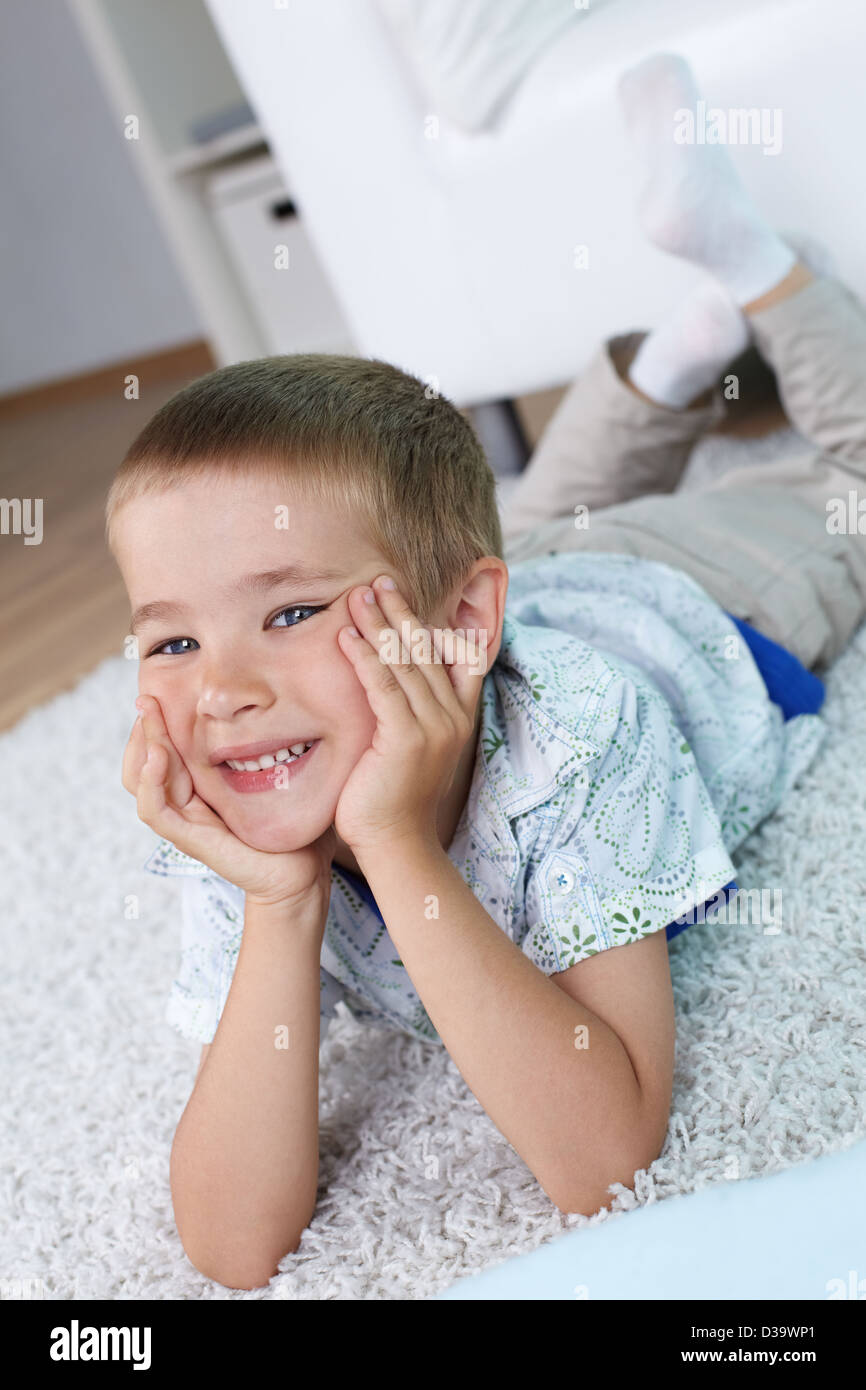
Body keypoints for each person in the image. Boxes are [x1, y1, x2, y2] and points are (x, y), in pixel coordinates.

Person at [107, 54, 866, 1291]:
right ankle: (670, 364)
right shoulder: (246, 791)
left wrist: (396, 846)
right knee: (526, 526)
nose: (221, 691)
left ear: (461, 631)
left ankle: (749, 271)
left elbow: (602, 1155)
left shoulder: (579, 738)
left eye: (287, 610)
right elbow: (232, 1248)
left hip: (688, 605)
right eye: (173, 639)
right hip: (506, 594)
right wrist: (280, 898)